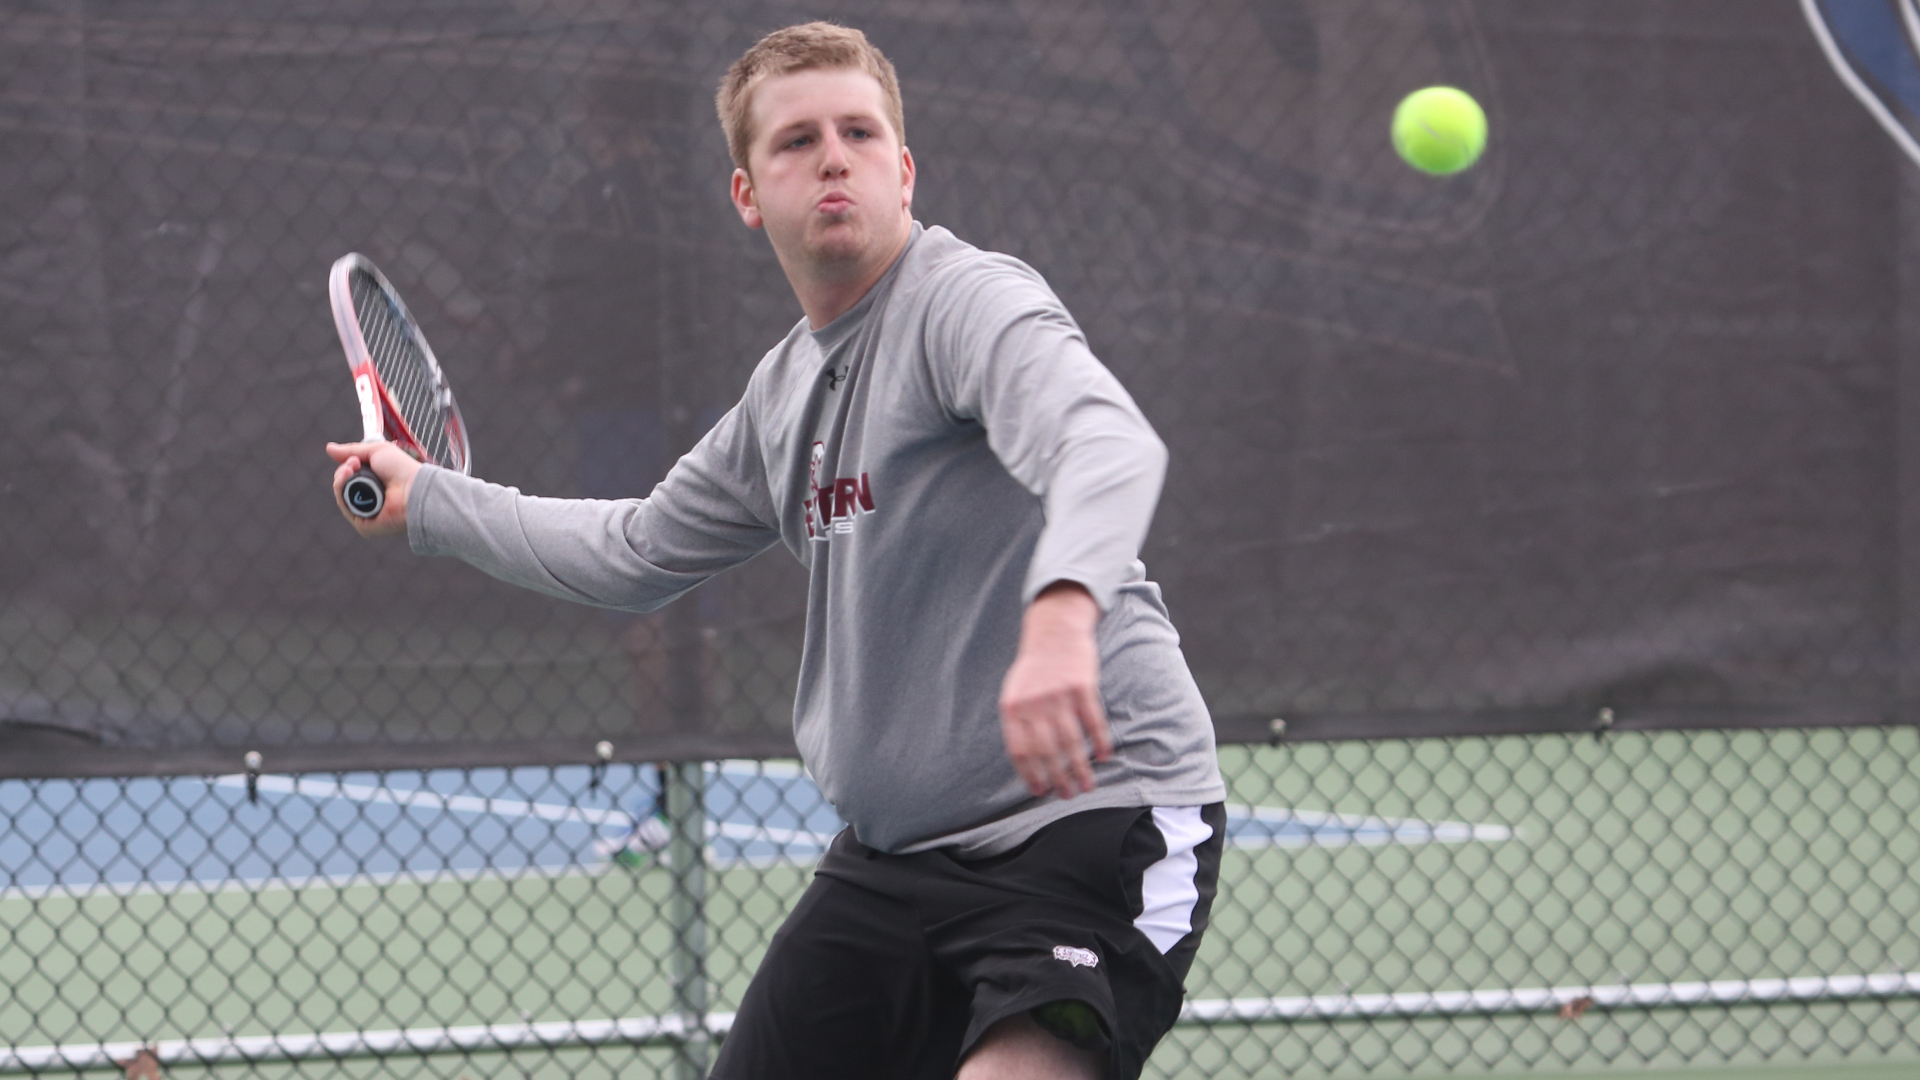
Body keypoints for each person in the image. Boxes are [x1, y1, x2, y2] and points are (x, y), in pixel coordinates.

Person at [325, 22, 1224, 1080]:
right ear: (749, 194)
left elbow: (1105, 441)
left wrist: (1063, 614)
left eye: (859, 131)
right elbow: (635, 548)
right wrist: (429, 499)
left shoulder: (969, 302)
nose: (833, 155)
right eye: (797, 141)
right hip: (895, 867)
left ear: (903, 168)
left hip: (1090, 830)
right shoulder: (782, 396)